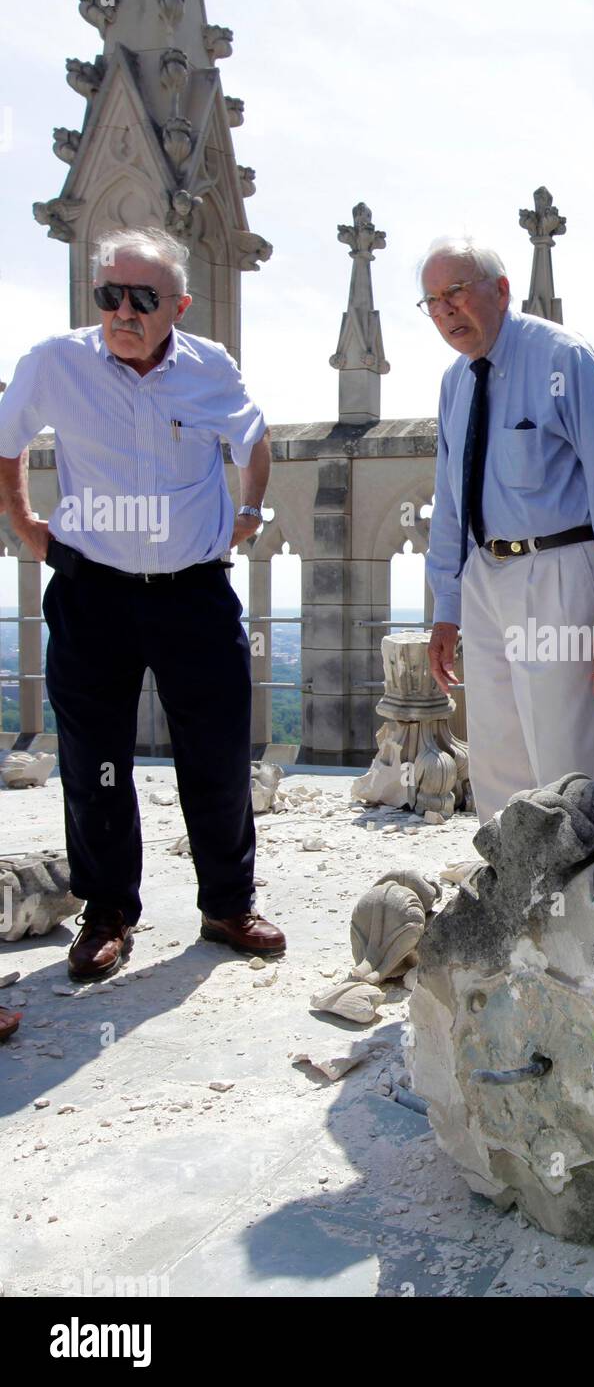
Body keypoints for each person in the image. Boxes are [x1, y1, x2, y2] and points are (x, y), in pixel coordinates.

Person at [0, 226, 285, 981]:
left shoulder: (210, 367)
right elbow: (6, 442)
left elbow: (253, 439)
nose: (123, 311)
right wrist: (26, 525)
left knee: (218, 754)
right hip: (92, 593)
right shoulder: (54, 362)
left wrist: (248, 514)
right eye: (109, 294)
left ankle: (228, 905)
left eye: (142, 298)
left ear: (179, 306)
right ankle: (106, 914)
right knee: (94, 760)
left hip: (193, 593)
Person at [420, 237, 594, 823]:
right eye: (432, 301)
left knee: (568, 764)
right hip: (484, 580)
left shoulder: (562, 358)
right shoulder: (454, 382)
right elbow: (449, 503)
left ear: (501, 291)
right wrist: (446, 607)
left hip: (561, 574)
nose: (445, 310)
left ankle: (585, 880)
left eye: (456, 292)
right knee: (498, 761)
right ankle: (515, 878)